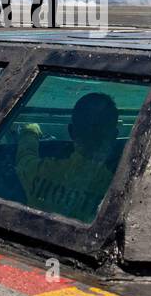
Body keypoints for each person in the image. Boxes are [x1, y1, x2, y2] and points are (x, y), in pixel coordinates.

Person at [16, 92, 120, 222]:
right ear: (114, 136)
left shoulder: (41, 171)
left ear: (71, 131)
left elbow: (24, 158)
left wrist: (30, 131)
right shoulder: (117, 192)